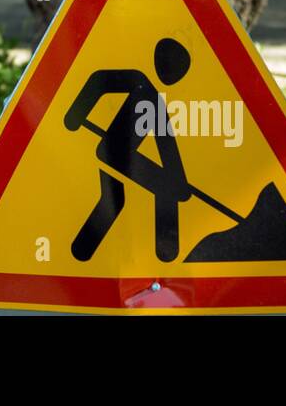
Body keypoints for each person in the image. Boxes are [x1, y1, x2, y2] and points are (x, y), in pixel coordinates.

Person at [62, 37, 193, 262]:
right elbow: (99, 80)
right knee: (155, 191)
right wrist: (74, 114)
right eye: (175, 69)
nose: (175, 77)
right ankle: (166, 250)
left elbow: (167, 146)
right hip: (113, 152)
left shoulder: (157, 102)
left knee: (116, 199)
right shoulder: (139, 81)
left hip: (120, 155)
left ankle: (81, 251)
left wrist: (179, 181)